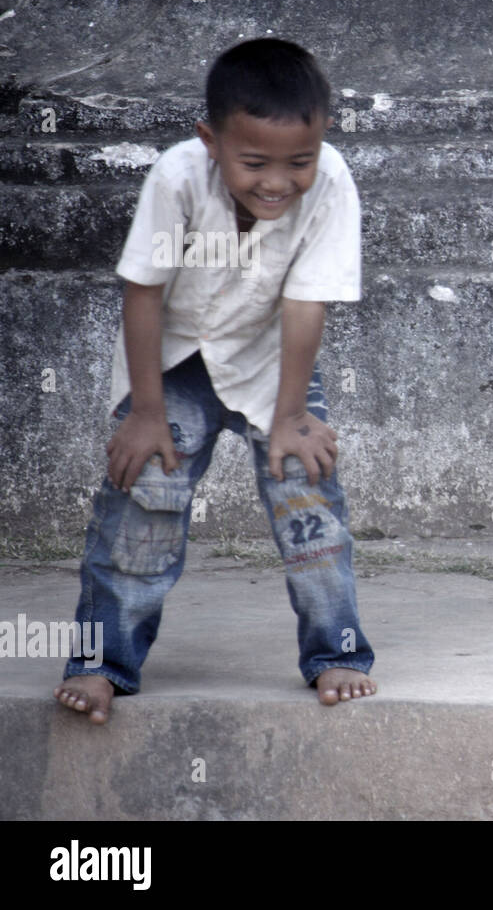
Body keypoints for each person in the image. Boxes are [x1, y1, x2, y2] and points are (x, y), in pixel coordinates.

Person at [54, 38, 377, 724]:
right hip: (171, 364)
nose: (278, 182)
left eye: (300, 161)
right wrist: (145, 411)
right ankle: (100, 663)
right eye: (254, 161)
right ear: (210, 140)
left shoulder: (335, 182)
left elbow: (305, 301)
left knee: (308, 493)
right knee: (144, 500)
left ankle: (336, 649)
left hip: (270, 362)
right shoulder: (177, 178)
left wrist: (291, 417)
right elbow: (142, 293)